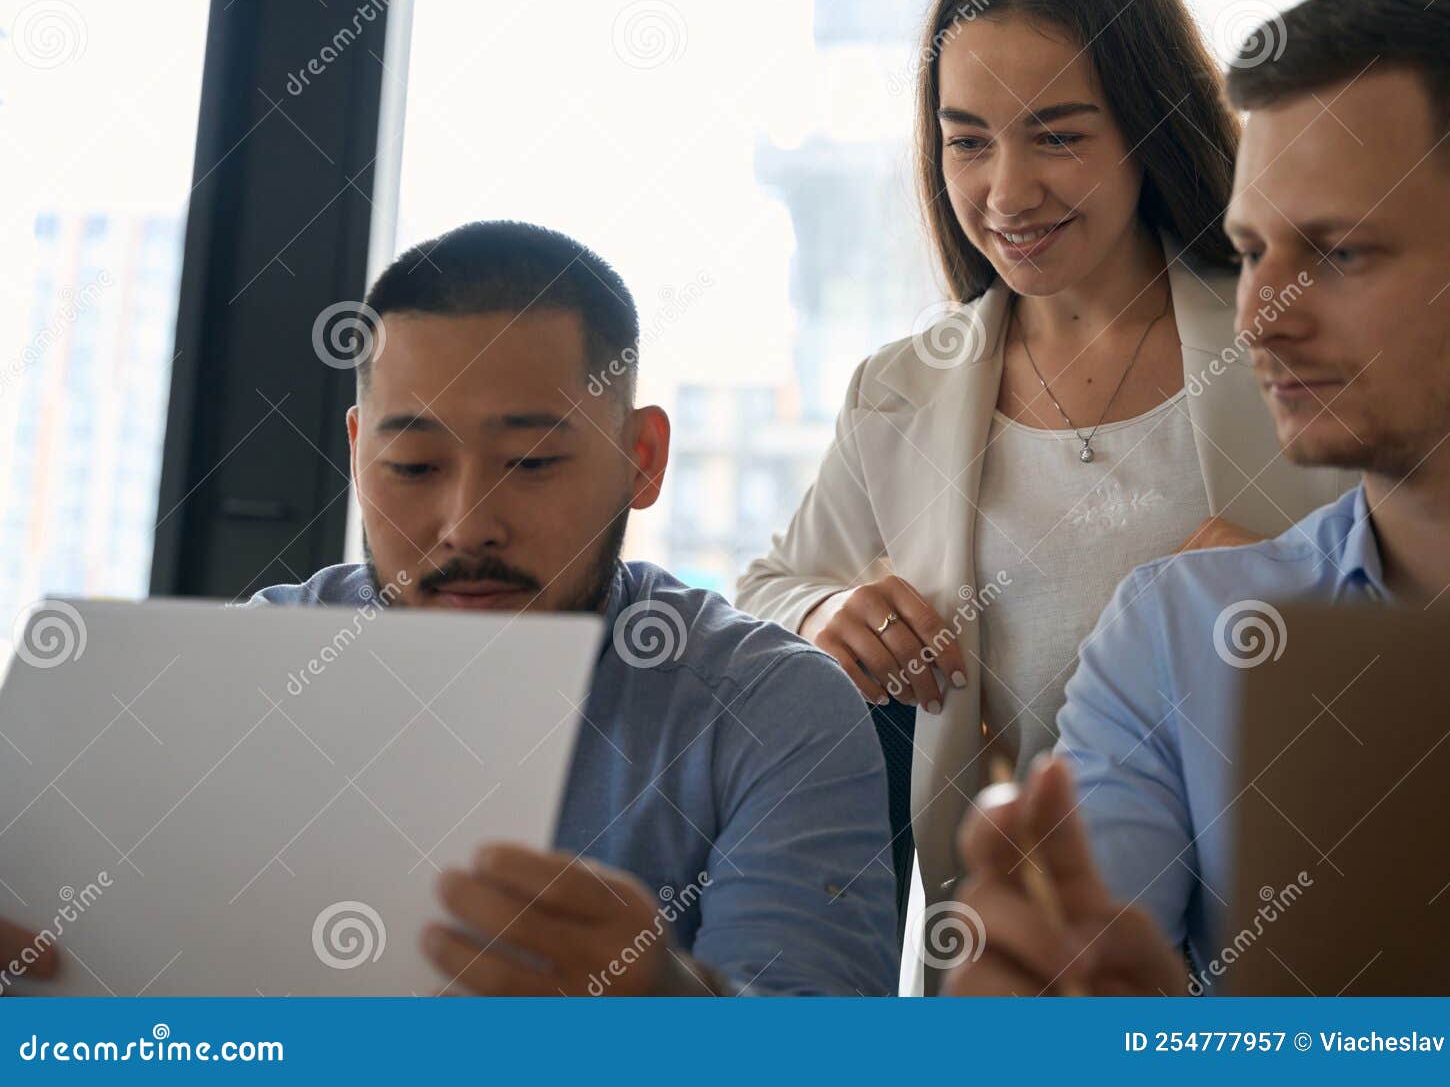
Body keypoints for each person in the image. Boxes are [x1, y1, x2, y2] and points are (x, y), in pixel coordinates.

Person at [3, 220, 898, 997]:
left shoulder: (771, 712)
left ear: (643, 458)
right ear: (359, 456)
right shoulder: (241, 675)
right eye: (414, 466)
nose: (469, 525)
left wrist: (668, 1005)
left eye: (532, 463)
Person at [946, 0, 1450, 995]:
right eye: (1252, 250)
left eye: (1339, 252)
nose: (1260, 315)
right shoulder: (1174, 632)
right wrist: (1086, 1023)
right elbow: (1073, 998)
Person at [734, 0, 1348, 972]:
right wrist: (824, 612)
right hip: (1011, 963)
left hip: (1275, 948)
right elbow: (763, 592)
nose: (1006, 192)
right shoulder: (903, 390)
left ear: (1147, 124)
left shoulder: (1288, 342)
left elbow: (1431, 596)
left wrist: (1292, 600)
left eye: (1056, 136)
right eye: (967, 141)